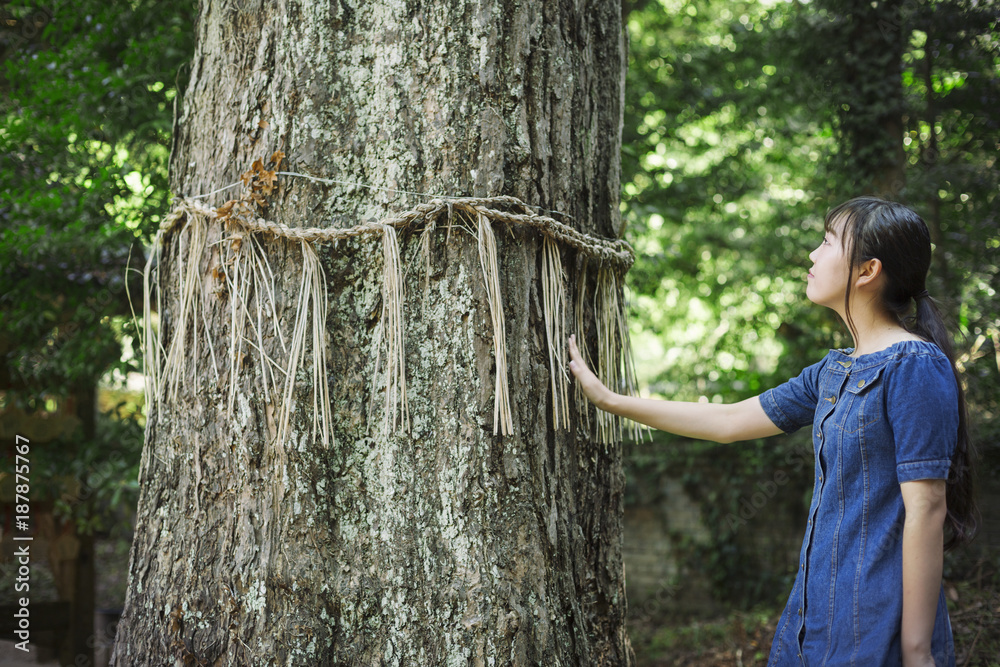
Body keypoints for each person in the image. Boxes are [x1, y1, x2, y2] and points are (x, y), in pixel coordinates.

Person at [568, 196, 976, 666]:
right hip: (812, 618)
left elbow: (926, 507)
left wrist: (917, 650)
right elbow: (726, 421)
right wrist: (610, 400)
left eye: (827, 243)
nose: (812, 255)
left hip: (878, 623)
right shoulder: (832, 372)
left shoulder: (915, 365)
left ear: (867, 271)